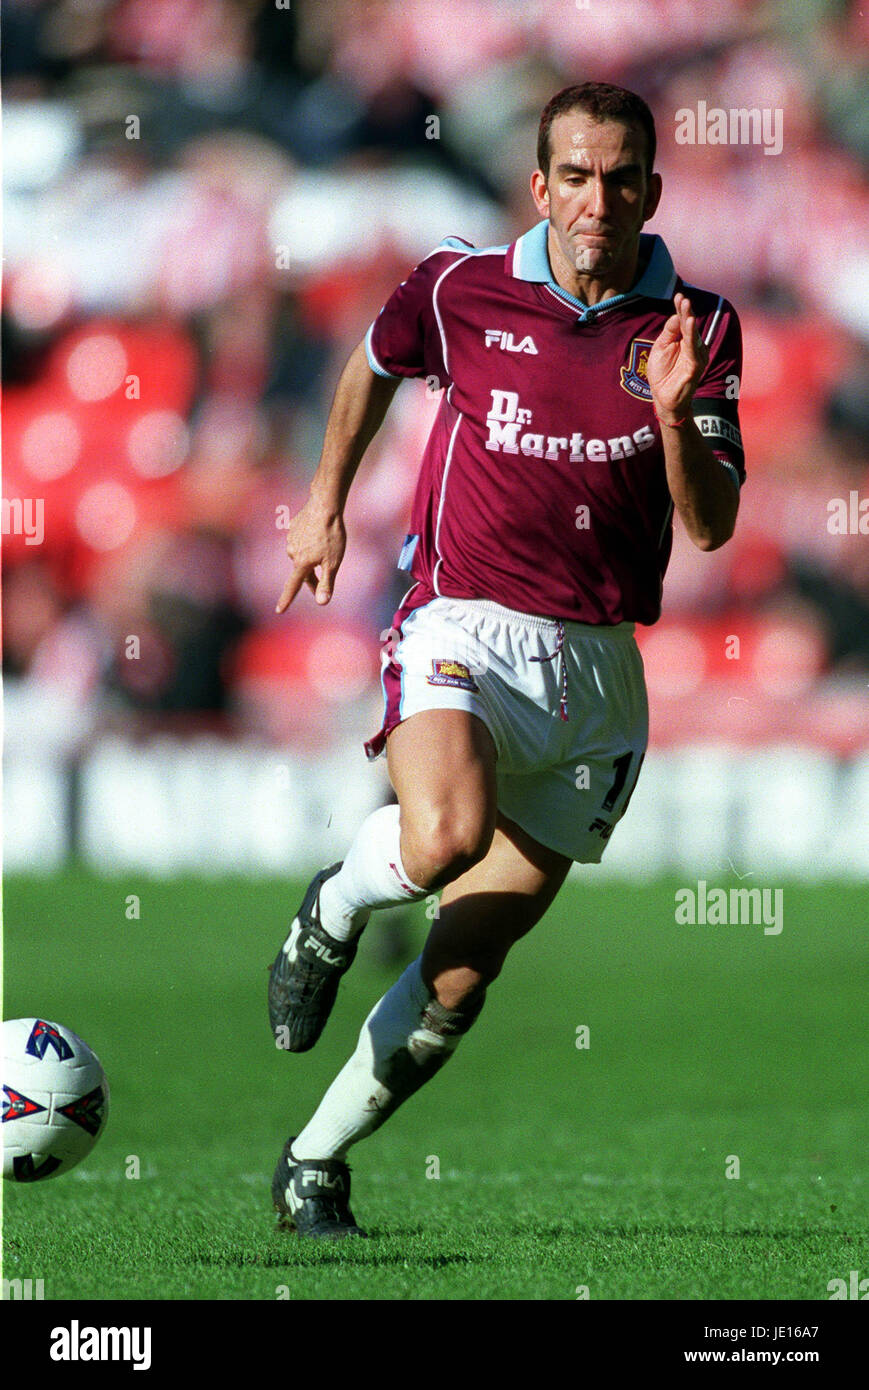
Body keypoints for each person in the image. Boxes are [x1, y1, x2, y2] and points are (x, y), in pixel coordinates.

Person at [267, 82, 744, 1237]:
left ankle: (312, 1164)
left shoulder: (696, 322)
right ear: (538, 185)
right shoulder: (458, 288)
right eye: (573, 176)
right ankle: (329, 911)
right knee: (443, 837)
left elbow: (713, 525)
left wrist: (676, 417)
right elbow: (373, 363)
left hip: (596, 677)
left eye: (619, 177)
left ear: (650, 189)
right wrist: (324, 501)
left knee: (463, 973)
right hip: (461, 626)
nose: (596, 200)